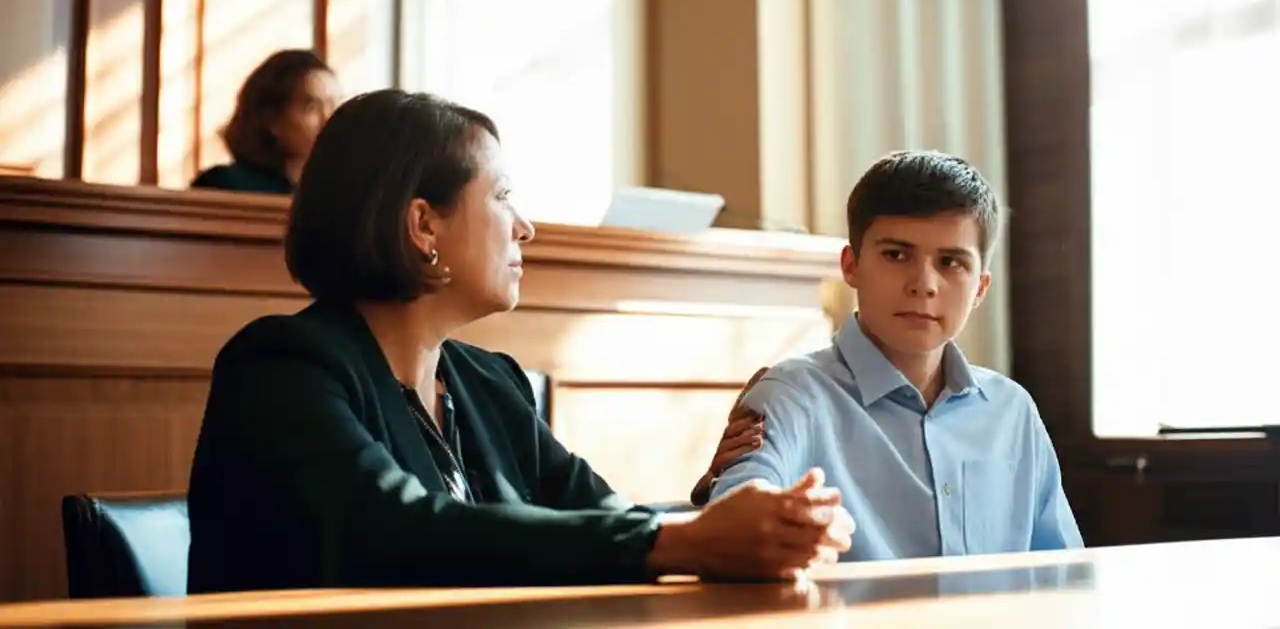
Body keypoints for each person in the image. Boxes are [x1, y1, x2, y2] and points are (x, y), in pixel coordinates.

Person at [187, 89, 855, 592]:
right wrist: (684, 540)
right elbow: (396, 531)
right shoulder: (280, 366)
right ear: (423, 224)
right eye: (503, 196)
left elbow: (600, 516)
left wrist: (717, 510)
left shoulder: (488, 381)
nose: (525, 227)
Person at [705, 151, 1082, 560]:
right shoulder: (792, 396)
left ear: (980, 288)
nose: (923, 284)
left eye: (951, 262)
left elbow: (1064, 570)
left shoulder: (1012, 411)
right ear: (851, 265)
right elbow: (735, 531)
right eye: (896, 255)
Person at [191, 49, 339, 195]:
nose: (329, 118)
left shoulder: (341, 191)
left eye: (335, 105)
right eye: (311, 107)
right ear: (272, 119)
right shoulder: (224, 185)